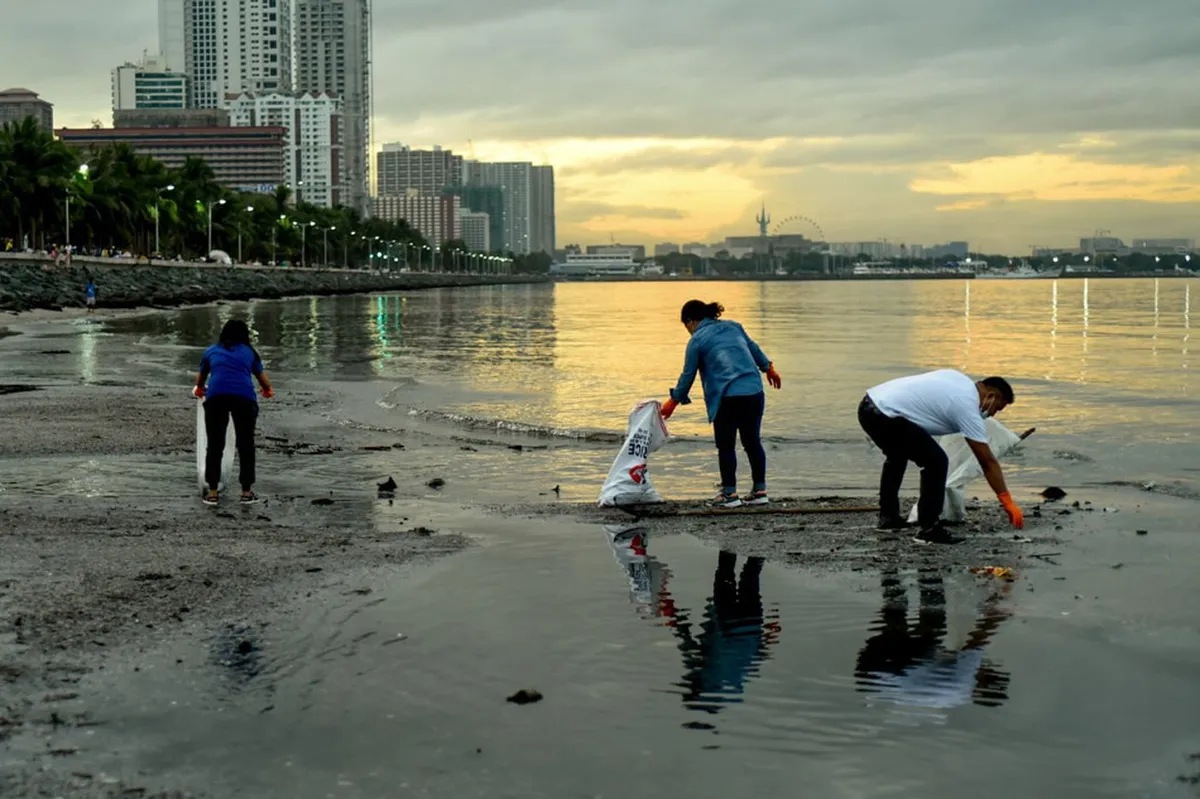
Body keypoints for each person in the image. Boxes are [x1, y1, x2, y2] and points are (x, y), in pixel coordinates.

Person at [858, 369, 1023, 545]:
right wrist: (1007, 502)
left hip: (868, 406)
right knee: (936, 461)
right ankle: (928, 529)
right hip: (886, 415)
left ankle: (888, 518)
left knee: (897, 455)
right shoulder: (967, 406)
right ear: (990, 396)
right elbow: (987, 461)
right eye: (997, 408)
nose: (992, 415)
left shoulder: (959, 380)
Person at [661, 300, 781, 508]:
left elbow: (688, 375)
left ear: (690, 321)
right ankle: (760, 491)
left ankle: (729, 495)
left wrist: (673, 401)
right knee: (752, 442)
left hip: (727, 397)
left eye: (686, 326)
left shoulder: (697, 340)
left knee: (726, 446)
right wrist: (768, 369)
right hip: (754, 391)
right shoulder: (734, 327)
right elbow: (754, 349)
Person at [193, 320, 274, 505]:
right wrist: (267, 391)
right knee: (246, 445)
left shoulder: (212, 351)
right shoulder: (249, 352)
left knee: (214, 445)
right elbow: (263, 380)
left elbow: (201, 378)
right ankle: (246, 492)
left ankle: (212, 493)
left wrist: (199, 389)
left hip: (216, 398)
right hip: (244, 399)